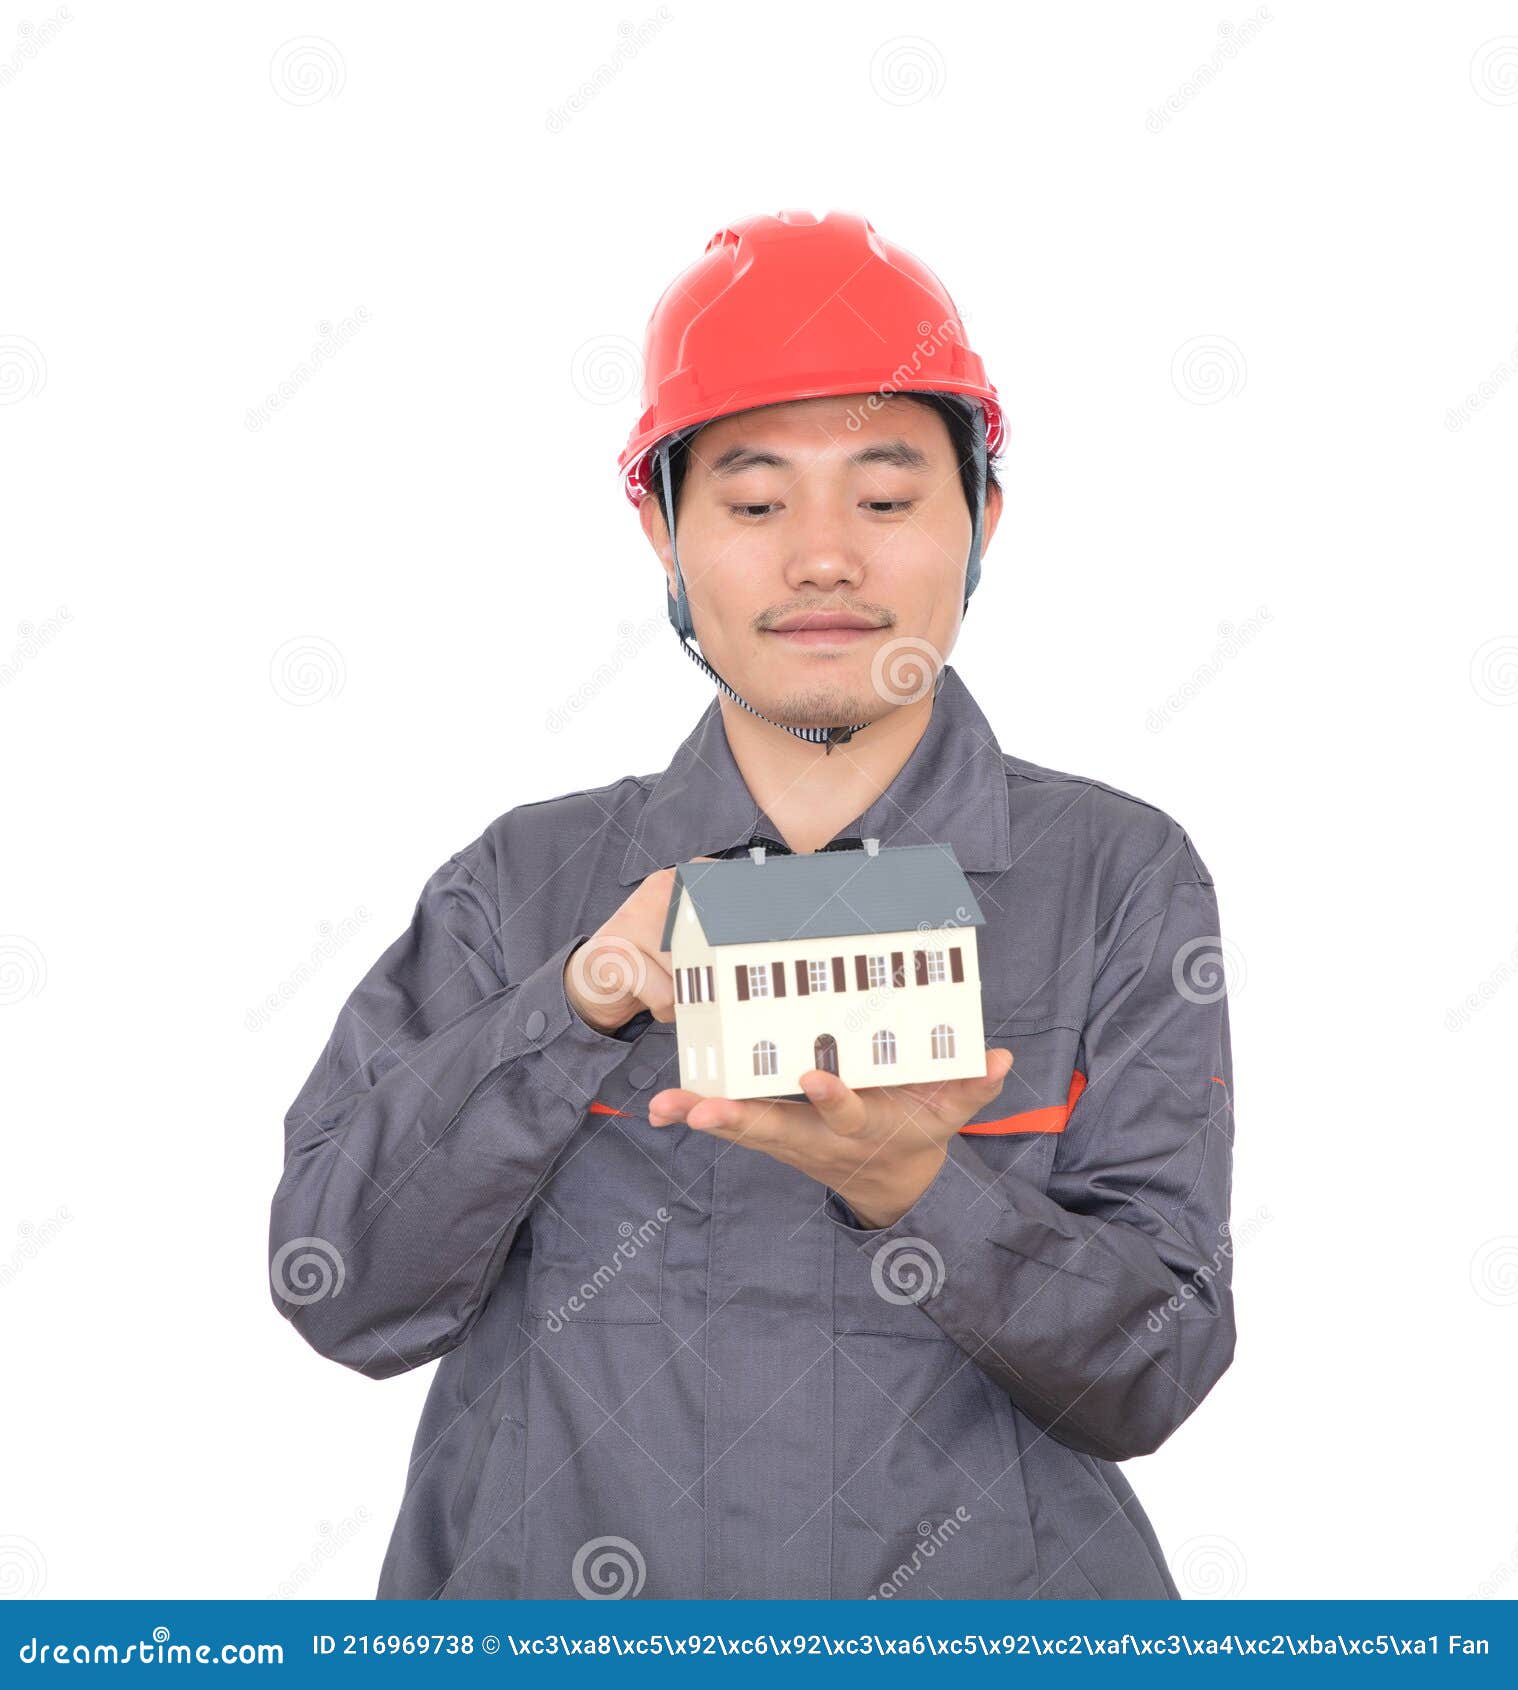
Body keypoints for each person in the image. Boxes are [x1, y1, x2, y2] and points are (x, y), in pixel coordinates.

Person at [268, 210, 1236, 1601]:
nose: (824, 558)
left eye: (887, 499)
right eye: (755, 500)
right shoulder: (519, 885)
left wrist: (917, 1191)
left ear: (983, 520)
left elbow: (1154, 1366)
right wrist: (572, 1005)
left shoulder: (1109, 874)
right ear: (661, 528)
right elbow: (337, 1289)